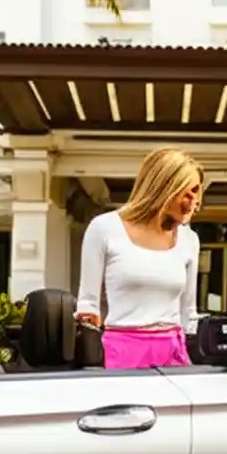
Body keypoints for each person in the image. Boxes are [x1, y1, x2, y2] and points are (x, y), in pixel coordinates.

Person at [74, 147, 204, 369]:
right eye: (186, 192)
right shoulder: (104, 228)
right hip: (120, 353)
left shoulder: (189, 239)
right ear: (163, 188)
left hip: (174, 357)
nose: (193, 201)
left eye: (197, 192)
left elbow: (188, 314)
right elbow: (88, 306)